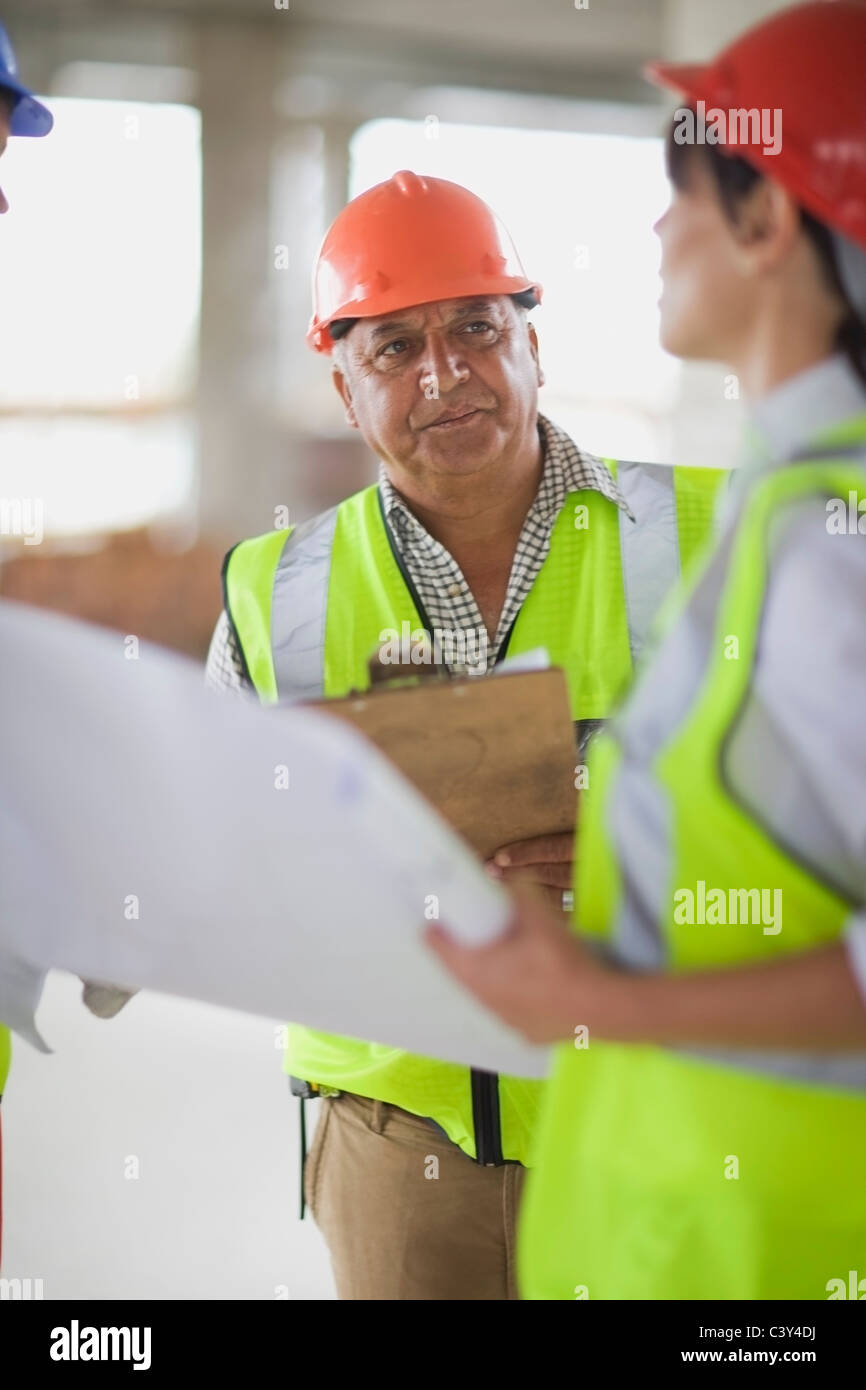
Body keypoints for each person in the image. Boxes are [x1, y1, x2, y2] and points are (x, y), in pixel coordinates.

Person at [207, 170, 726, 1299]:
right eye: (392, 347)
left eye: (476, 329)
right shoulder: (271, 589)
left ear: (533, 348)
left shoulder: (711, 536)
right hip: (399, 1145)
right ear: (344, 390)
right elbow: (217, 867)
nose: (443, 374)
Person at [429, 0, 866, 1301]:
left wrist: (592, 999)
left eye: (677, 190)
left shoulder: (830, 546)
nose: (655, 227)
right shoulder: (783, 504)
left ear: (766, 214)